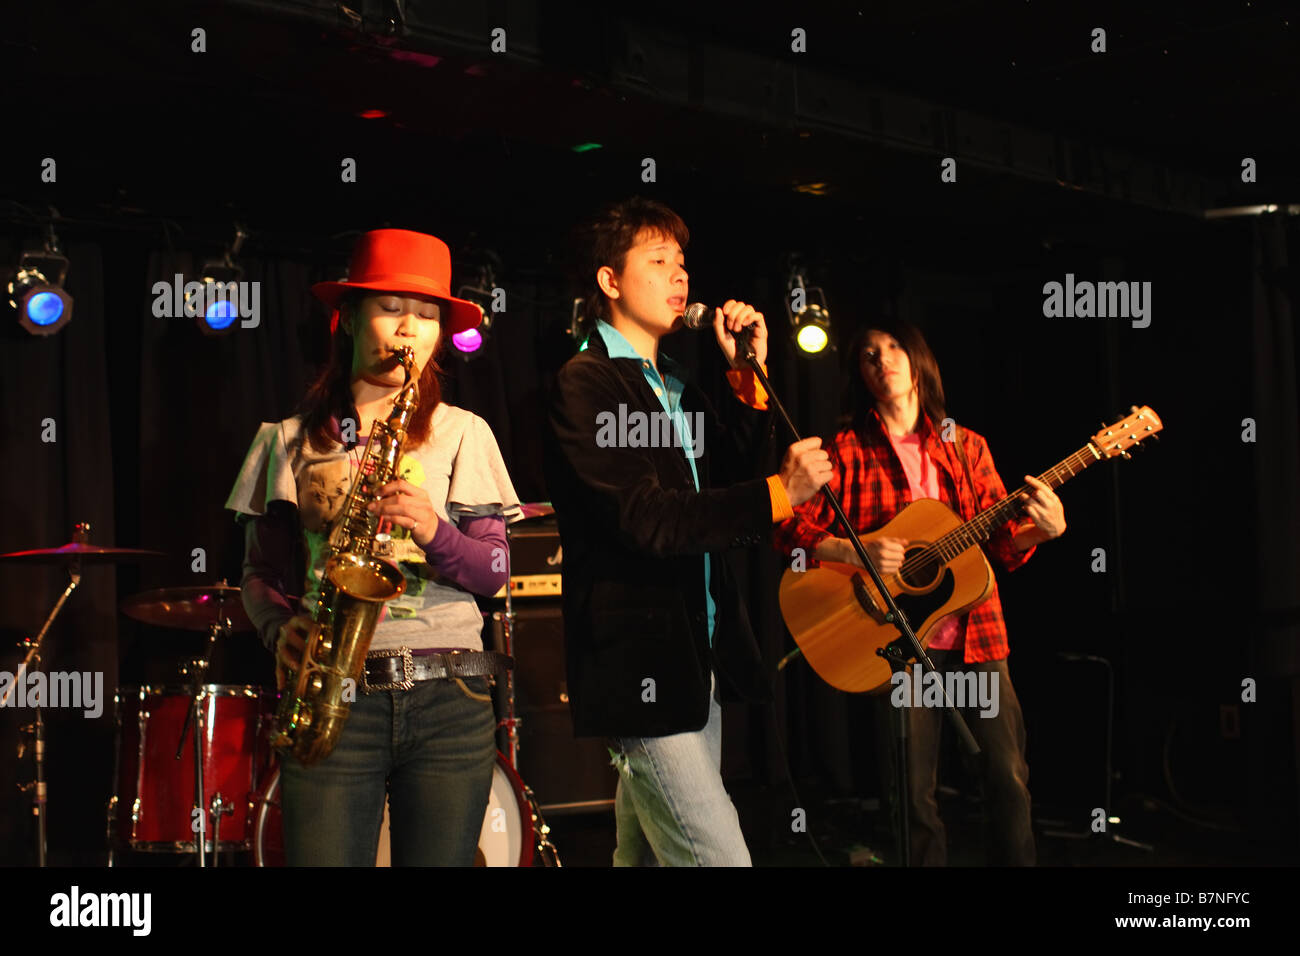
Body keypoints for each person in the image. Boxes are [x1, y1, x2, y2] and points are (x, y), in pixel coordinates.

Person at [545, 197, 833, 866]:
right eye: (658, 260)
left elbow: (727, 480)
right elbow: (647, 518)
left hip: (692, 657)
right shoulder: (585, 384)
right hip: (638, 665)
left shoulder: (672, 385)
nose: (679, 276)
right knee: (718, 858)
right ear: (609, 282)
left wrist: (743, 375)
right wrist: (778, 493)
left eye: (682, 262)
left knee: (640, 858)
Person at [225, 228, 522, 866]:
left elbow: (495, 573)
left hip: (451, 697)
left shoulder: (465, 432)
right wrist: (281, 630)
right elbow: (258, 573)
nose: (409, 328)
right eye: (391, 308)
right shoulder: (286, 439)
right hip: (335, 690)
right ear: (349, 317)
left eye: (427, 315)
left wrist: (433, 530)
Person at [774, 321, 1066, 866]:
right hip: (898, 643)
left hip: (978, 635)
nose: (881, 361)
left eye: (892, 349)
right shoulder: (845, 450)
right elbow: (786, 527)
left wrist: (1039, 532)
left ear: (917, 360)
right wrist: (848, 549)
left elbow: (1001, 546)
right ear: (859, 374)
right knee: (911, 794)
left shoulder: (966, 447)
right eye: (867, 356)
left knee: (1007, 778)